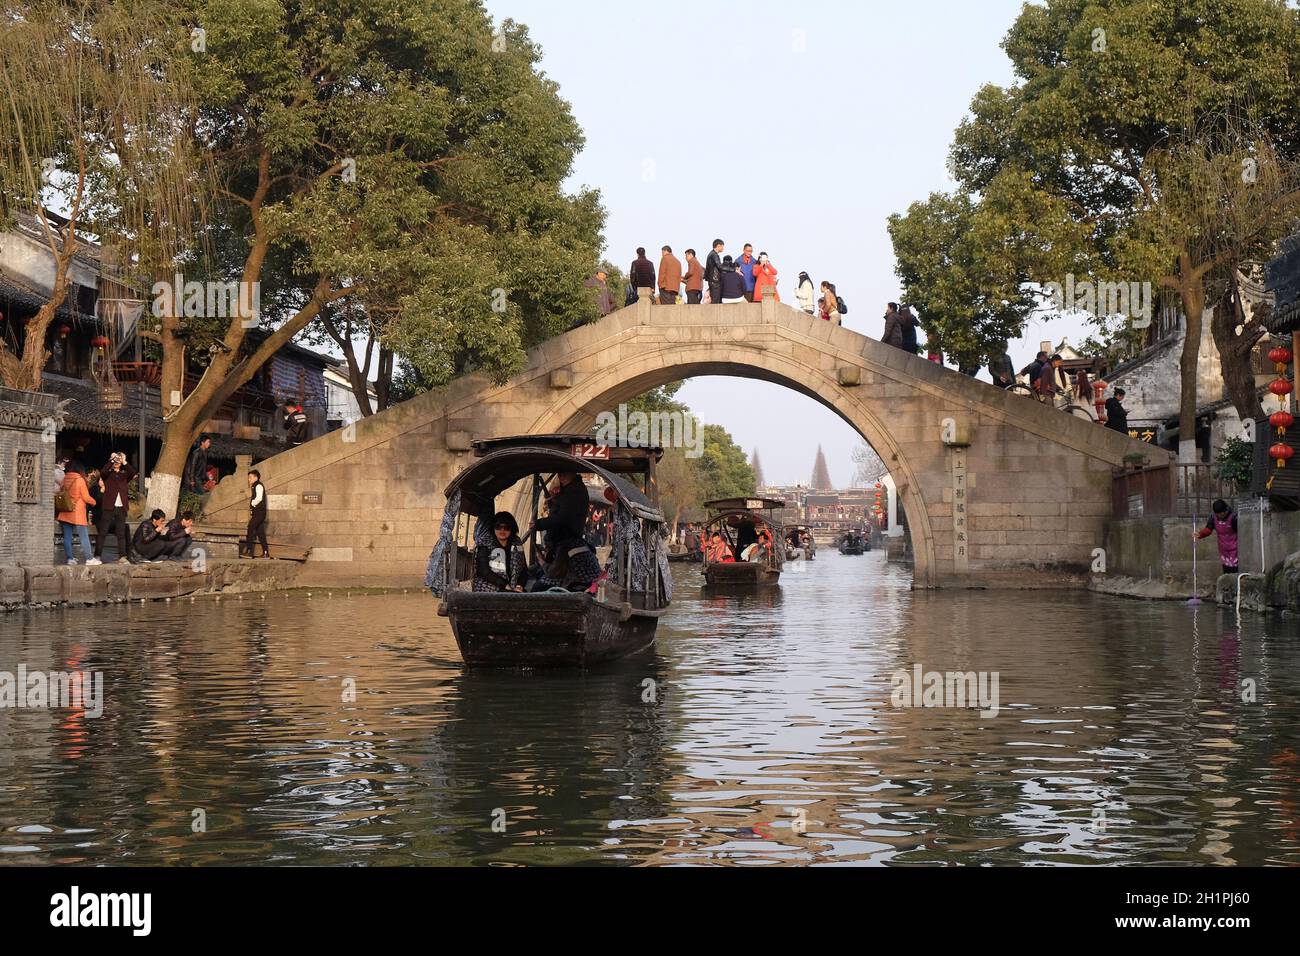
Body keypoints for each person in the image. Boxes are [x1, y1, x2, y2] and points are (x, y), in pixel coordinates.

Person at [94, 451, 136, 563]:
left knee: (121, 533)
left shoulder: (124, 475)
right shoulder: (108, 474)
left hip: (121, 507)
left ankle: (122, 556)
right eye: (115, 460)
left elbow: (132, 472)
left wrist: (124, 461)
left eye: (118, 460)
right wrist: (112, 460)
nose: (117, 462)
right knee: (103, 532)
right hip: (109, 506)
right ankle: (97, 555)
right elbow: (102, 472)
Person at [56, 461, 99, 566]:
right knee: (84, 536)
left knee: (67, 536)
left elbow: (61, 491)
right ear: (80, 470)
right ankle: (89, 558)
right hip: (77, 512)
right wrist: (94, 502)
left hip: (65, 510)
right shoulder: (80, 480)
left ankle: (70, 559)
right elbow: (85, 497)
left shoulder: (65, 478)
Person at [475, 512, 527, 592]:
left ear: (512, 529)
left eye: (506, 527)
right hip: (488, 589)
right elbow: (483, 571)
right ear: (493, 527)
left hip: (513, 589)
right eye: (498, 526)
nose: (502, 530)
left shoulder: (517, 543)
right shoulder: (485, 543)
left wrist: (520, 585)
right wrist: (505, 585)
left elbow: (523, 569)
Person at [1194, 499, 1239, 575]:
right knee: (1226, 569)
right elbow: (1209, 528)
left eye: (1221, 514)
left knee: (1234, 570)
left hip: (1236, 549)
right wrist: (1200, 534)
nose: (1220, 516)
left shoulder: (1234, 517)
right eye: (1218, 514)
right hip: (1223, 548)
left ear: (1225, 511)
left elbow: (1240, 532)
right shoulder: (1213, 517)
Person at [243, 468, 270, 558]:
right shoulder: (255, 486)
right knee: (260, 532)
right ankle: (266, 553)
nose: (249, 479)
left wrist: (252, 503)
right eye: (248, 477)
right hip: (258, 513)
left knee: (250, 528)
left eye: (250, 477)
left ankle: (249, 551)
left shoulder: (258, 485)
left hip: (259, 513)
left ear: (256, 477)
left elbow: (258, 498)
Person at [705, 239, 725, 306]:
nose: (723, 248)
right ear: (718, 246)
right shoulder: (714, 255)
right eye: (722, 246)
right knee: (715, 302)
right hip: (715, 281)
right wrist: (733, 269)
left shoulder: (711, 254)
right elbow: (720, 266)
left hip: (713, 281)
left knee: (715, 301)